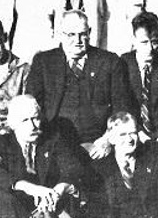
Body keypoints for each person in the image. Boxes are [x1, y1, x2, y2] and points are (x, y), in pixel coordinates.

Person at [93, 11, 158, 187]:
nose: (150, 48)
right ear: (133, 40)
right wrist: (138, 132)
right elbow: (122, 104)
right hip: (132, 128)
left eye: (154, 41)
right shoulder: (122, 64)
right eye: (143, 42)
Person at [0, 94, 90, 218]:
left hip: (49, 207)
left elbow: (73, 167)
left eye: (35, 118)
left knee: (72, 191)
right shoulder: (1, 142)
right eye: (25, 120)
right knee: (2, 196)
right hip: (20, 207)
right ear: (13, 124)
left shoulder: (53, 139)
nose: (32, 126)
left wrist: (59, 189)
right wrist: (28, 187)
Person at [26, 10, 134, 151]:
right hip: (54, 143)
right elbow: (31, 107)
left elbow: (122, 108)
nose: (77, 41)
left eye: (82, 34)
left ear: (89, 32)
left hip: (98, 143)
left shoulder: (110, 62)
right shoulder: (43, 62)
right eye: (71, 34)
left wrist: (108, 140)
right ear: (60, 34)